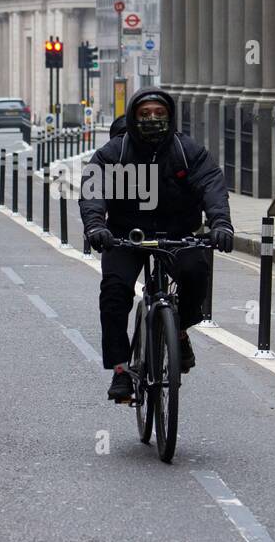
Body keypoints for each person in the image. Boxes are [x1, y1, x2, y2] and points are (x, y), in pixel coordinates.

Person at [80, 88, 234, 403]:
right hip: (125, 235)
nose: (152, 120)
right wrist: (96, 226)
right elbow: (93, 189)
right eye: (145, 115)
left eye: (159, 114)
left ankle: (179, 330)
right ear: (134, 118)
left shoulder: (186, 151)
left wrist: (221, 224)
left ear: (170, 117)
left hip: (179, 233)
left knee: (195, 274)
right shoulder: (115, 153)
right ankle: (121, 369)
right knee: (113, 292)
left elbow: (212, 185)